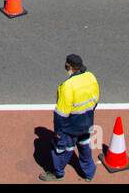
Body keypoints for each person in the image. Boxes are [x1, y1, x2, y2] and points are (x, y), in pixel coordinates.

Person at [39, 54, 100, 182]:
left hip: (70, 127)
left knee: (61, 150)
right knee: (84, 146)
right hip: (87, 121)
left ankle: (58, 174)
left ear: (68, 66)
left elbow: (61, 114)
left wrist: (58, 133)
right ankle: (89, 173)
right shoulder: (91, 77)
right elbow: (95, 100)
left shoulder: (67, 86)